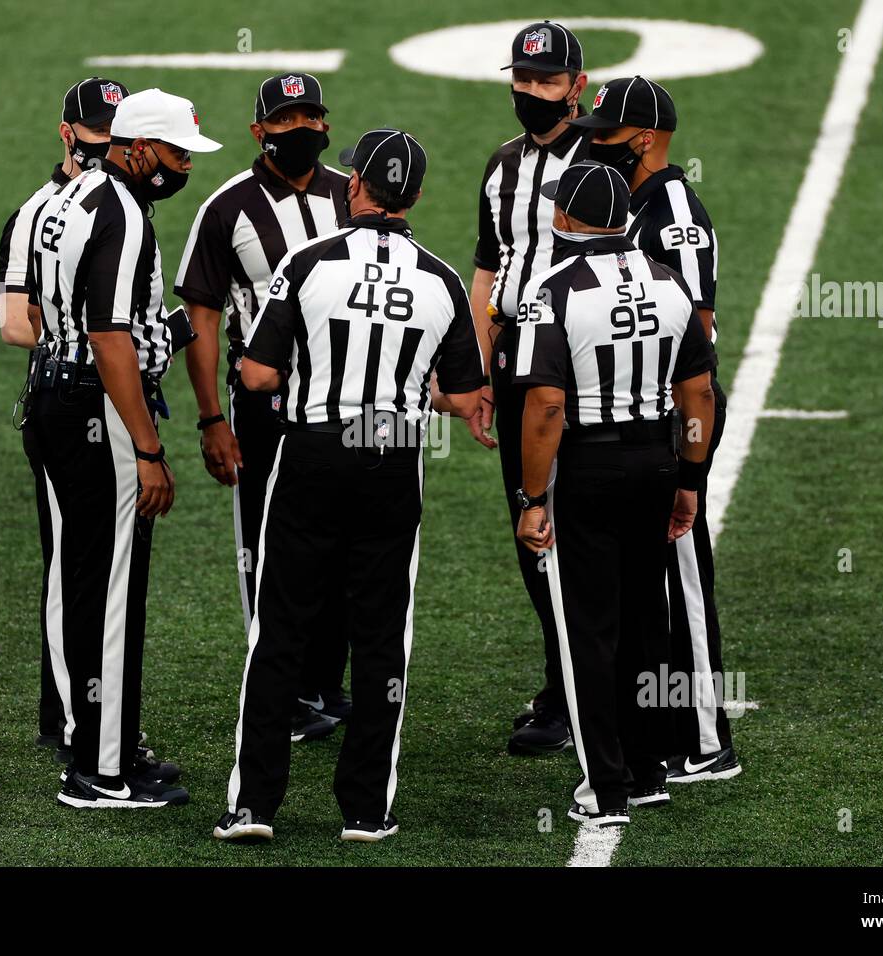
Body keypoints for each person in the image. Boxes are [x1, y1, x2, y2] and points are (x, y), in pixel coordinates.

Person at [215, 129, 484, 842]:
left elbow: (260, 374)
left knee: (279, 629)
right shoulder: (443, 278)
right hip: (393, 454)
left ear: (354, 184)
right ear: (417, 196)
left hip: (314, 448)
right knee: (380, 637)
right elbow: (463, 394)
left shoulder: (308, 262)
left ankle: (254, 805)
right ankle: (366, 808)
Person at [24, 88, 221, 808]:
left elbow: (66, 316)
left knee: (80, 577)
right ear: (138, 147)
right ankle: (102, 773)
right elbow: (108, 336)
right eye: (173, 154)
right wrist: (147, 447)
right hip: (95, 408)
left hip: (51, 393)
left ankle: (93, 737)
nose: (181, 169)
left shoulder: (67, 199)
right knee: (110, 590)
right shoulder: (124, 213)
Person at [512, 160, 716, 823]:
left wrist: (532, 497)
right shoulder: (669, 283)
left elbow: (544, 407)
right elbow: (698, 394)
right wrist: (687, 477)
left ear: (567, 218)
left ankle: (604, 789)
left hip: (590, 469)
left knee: (588, 632)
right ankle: (648, 768)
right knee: (644, 626)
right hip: (655, 459)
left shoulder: (554, 288)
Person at [570, 76, 739, 781]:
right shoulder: (639, 198)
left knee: (683, 577)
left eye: (607, 138)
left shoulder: (669, 205)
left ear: (644, 138)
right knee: (649, 585)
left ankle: (706, 740)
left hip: (672, 413)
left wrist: (684, 453)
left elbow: (695, 328)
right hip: (641, 411)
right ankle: (664, 732)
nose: (596, 149)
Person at [174, 73, 350, 744]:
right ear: (259, 131)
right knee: (270, 545)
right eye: (286, 120)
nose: (301, 129)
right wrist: (211, 418)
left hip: (344, 396)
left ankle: (323, 684)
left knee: (341, 539)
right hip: (267, 403)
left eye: (311, 117)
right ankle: (277, 688)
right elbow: (202, 318)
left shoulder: (347, 193)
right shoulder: (227, 208)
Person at [0, 76, 128, 761]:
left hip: (107, 398)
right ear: (67, 132)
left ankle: (95, 712)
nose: (104, 149)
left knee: (100, 569)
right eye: (94, 135)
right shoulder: (39, 212)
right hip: (67, 395)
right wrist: (89, 328)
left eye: (115, 137)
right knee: (67, 564)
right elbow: (16, 325)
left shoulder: (120, 205)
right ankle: (65, 715)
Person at [471, 20, 593, 755]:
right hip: (517, 359)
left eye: (547, 82)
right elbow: (490, 268)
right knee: (531, 527)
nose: (533, 93)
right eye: (524, 80)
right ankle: (565, 680)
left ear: (577, 85)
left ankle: (592, 686)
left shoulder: (604, 161)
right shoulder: (502, 165)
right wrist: (478, 369)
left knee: (581, 526)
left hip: (584, 366)